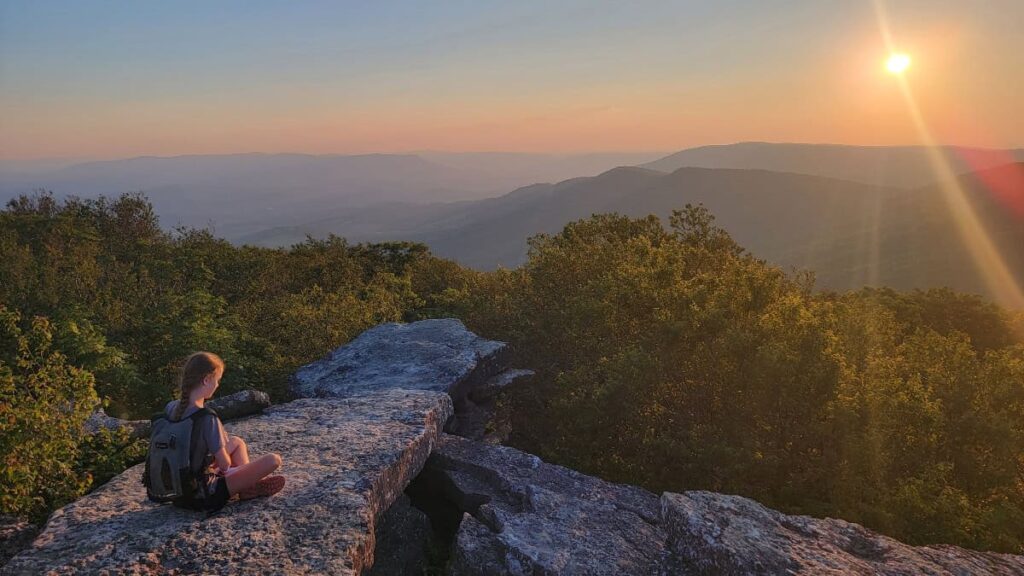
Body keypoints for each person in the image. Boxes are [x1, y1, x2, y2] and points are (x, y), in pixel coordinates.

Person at [165, 351, 284, 512]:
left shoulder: (171, 407)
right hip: (205, 495)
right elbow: (225, 464)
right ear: (206, 380)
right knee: (273, 460)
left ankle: (247, 488)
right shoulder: (207, 418)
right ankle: (248, 486)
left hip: (178, 491)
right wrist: (217, 467)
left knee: (236, 442)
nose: (218, 385)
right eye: (217, 380)